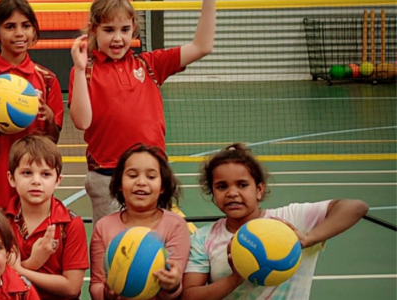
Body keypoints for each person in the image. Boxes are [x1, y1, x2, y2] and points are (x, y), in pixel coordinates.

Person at [68, 0, 216, 222]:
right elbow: (82, 121)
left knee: (152, 245)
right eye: (109, 30)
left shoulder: (150, 65)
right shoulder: (86, 71)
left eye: (125, 30)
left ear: (134, 28)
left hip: (151, 171)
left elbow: (201, 46)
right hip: (107, 174)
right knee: (111, 247)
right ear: (93, 30)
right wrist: (79, 70)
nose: (118, 38)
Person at [181, 143, 368, 300]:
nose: (232, 193)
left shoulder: (290, 220)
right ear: (213, 194)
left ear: (259, 190)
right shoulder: (203, 238)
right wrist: (236, 277)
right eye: (222, 186)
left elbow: (355, 207)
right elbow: (190, 295)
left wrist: (308, 239)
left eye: (242, 184)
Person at [0, 0, 64, 207]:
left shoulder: (47, 79)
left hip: (33, 187)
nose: (19, 33)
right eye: (10, 26)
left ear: (34, 31)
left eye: (25, 26)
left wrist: (50, 118)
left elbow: (52, 138)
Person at [89, 144, 189, 300]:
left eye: (151, 177)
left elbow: (175, 290)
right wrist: (107, 294)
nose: (141, 182)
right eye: (132, 175)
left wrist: (173, 285)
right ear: (120, 184)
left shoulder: (175, 225)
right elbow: (96, 286)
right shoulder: (104, 226)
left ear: (162, 186)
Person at [4, 135, 87, 299]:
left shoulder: (71, 224)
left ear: (58, 180)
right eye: (27, 173)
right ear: (11, 178)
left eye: (45, 174)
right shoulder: (0, 222)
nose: (36, 181)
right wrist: (33, 263)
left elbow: (71, 287)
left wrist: (20, 269)